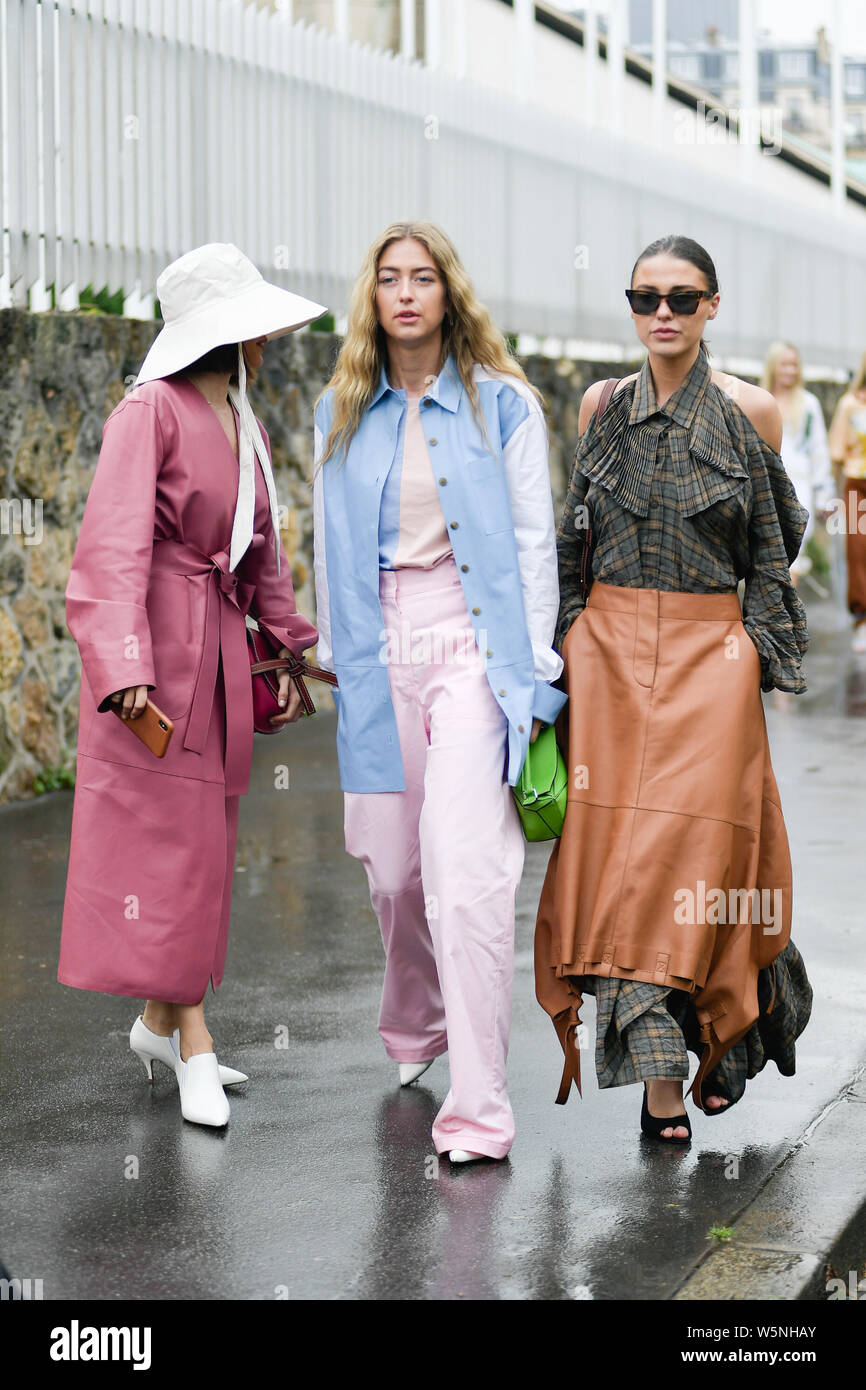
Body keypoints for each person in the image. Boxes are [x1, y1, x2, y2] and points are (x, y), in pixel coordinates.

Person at [535, 234, 812, 1143]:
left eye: (682, 299)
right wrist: (572, 632)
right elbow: (573, 530)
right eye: (645, 298)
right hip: (609, 659)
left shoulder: (753, 412)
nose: (663, 314)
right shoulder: (600, 406)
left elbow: (777, 541)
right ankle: (664, 1087)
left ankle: (725, 1039)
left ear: (712, 307)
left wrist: (757, 653)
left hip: (708, 664)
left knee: (699, 863)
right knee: (622, 871)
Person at [312, 219, 566, 1164]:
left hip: (473, 642)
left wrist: (533, 669)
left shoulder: (503, 405)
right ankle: (417, 1017)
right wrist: (337, 650)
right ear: (373, 298)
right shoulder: (341, 407)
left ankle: (481, 1108)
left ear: (449, 293)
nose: (408, 293)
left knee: (467, 874)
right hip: (380, 648)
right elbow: (326, 536)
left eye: (424, 277)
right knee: (392, 871)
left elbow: (535, 540)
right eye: (390, 278)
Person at [58, 244, 324, 1127]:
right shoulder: (150, 411)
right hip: (157, 670)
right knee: (166, 855)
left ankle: (155, 1025)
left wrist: (291, 649)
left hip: (213, 657)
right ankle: (195, 1044)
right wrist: (125, 670)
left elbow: (264, 558)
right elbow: (109, 551)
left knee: (204, 849)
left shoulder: (242, 415)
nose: (268, 342)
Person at [760, 341, 834, 587]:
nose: (790, 370)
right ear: (773, 367)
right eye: (784, 364)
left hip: (800, 486)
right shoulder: (760, 400)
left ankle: (786, 618)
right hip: (765, 484)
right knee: (764, 552)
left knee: (794, 554)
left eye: (794, 365)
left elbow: (819, 450)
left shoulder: (809, 404)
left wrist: (824, 495)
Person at [828, 352, 866, 651]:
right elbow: (837, 455)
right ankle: (861, 621)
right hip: (858, 486)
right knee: (858, 552)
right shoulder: (850, 404)